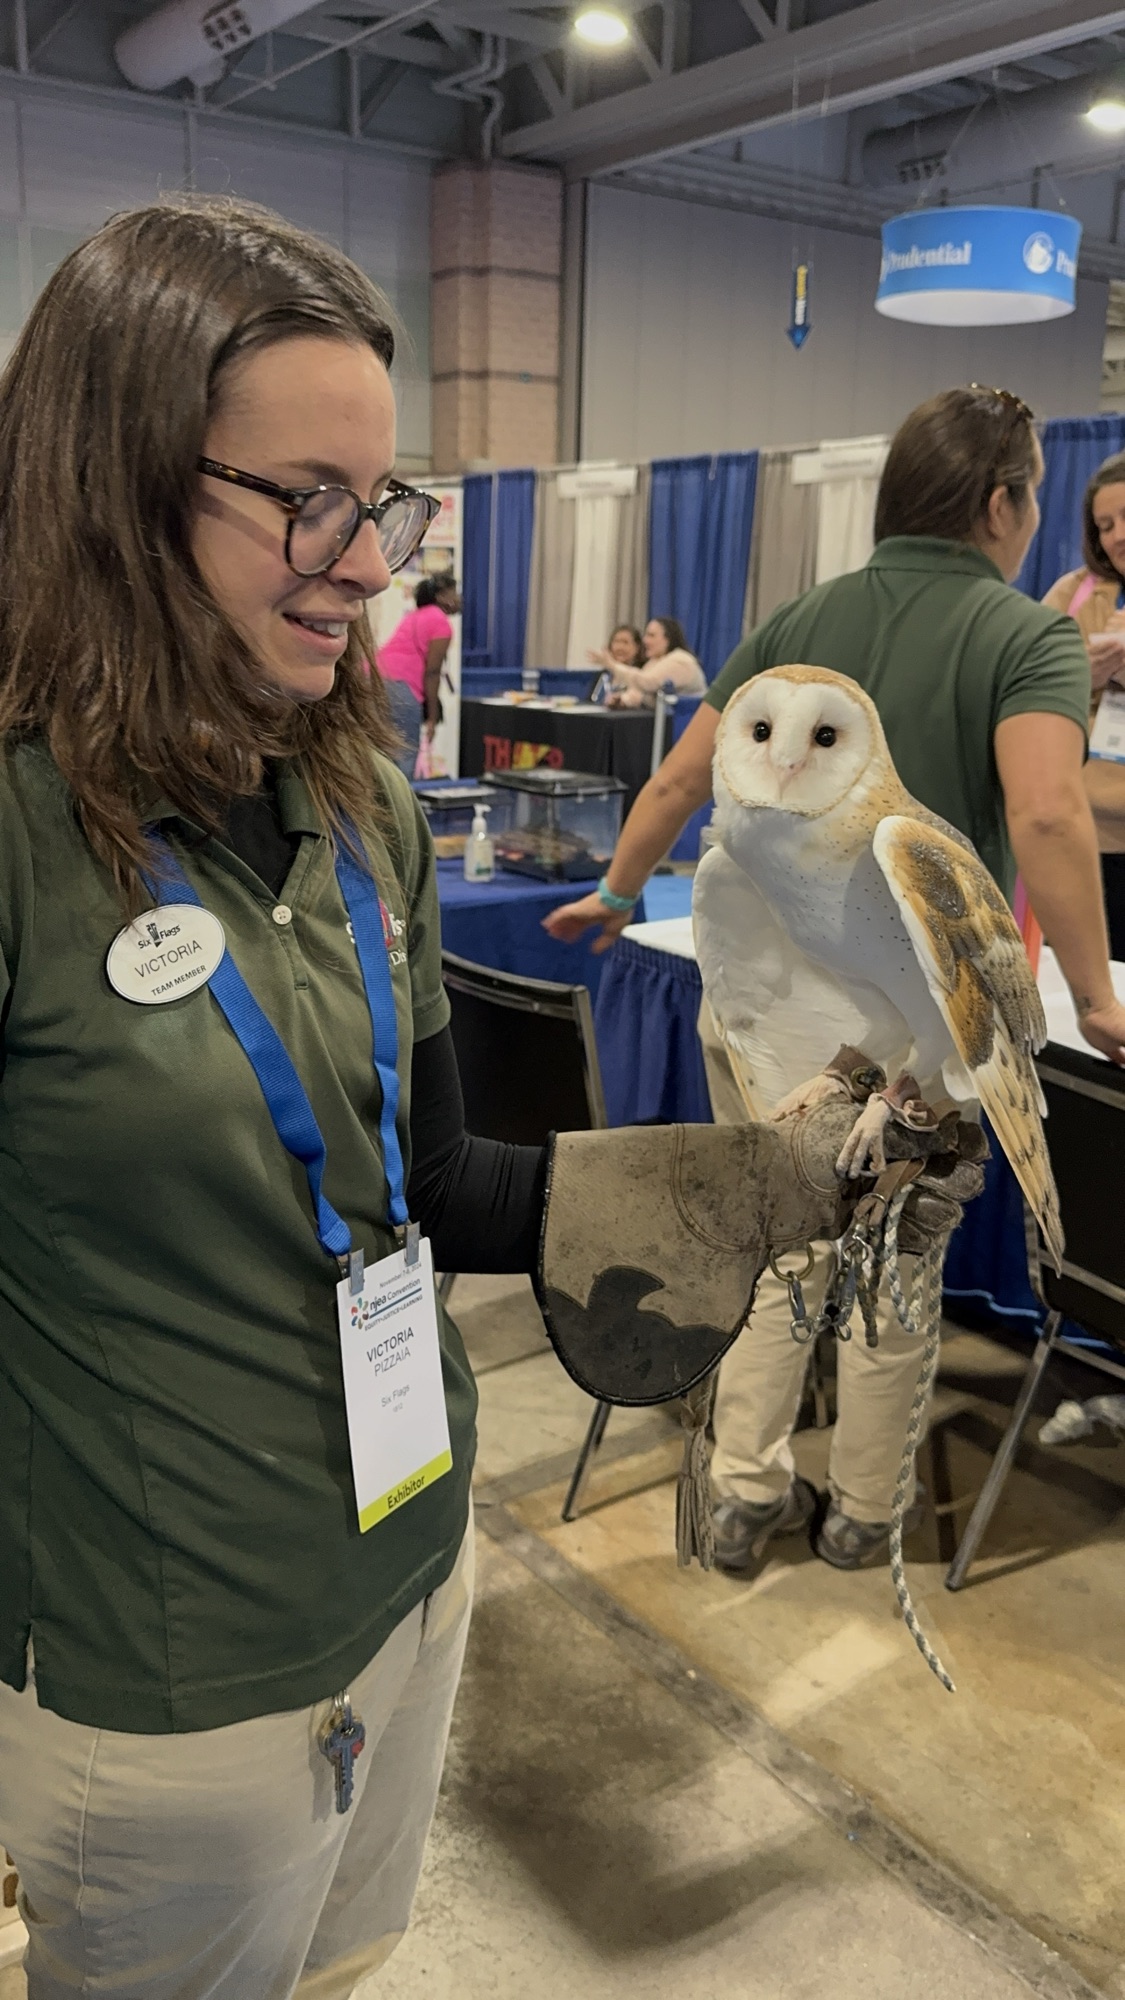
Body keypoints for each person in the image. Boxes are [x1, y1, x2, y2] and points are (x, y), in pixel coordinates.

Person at [547, 384, 1125, 1575]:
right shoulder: (1026, 634)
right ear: (1007, 502)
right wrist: (1100, 999)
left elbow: (678, 782)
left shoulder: (801, 613)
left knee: (779, 1245)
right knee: (894, 1263)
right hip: (908, 1030)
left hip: (767, 1019)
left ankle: (742, 1492)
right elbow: (1052, 813)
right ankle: (864, 1511)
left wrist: (615, 892)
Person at [1043, 453, 1125, 958]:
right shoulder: (1073, 595)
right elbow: (1023, 694)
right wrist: (1083, 679)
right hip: (1088, 838)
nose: (1117, 536)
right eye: (1105, 525)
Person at [376, 569, 461, 776]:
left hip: (372, 682)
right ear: (442, 597)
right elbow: (432, 673)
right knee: (403, 763)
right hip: (399, 690)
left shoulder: (414, 617)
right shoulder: (441, 623)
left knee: (378, 760)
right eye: (454, 593)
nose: (459, 598)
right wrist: (432, 718)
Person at [603, 615, 706, 706]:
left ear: (667, 639)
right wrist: (623, 700)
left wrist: (612, 665)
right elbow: (640, 692)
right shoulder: (655, 661)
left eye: (651, 635)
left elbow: (647, 682)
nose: (645, 640)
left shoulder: (680, 661)